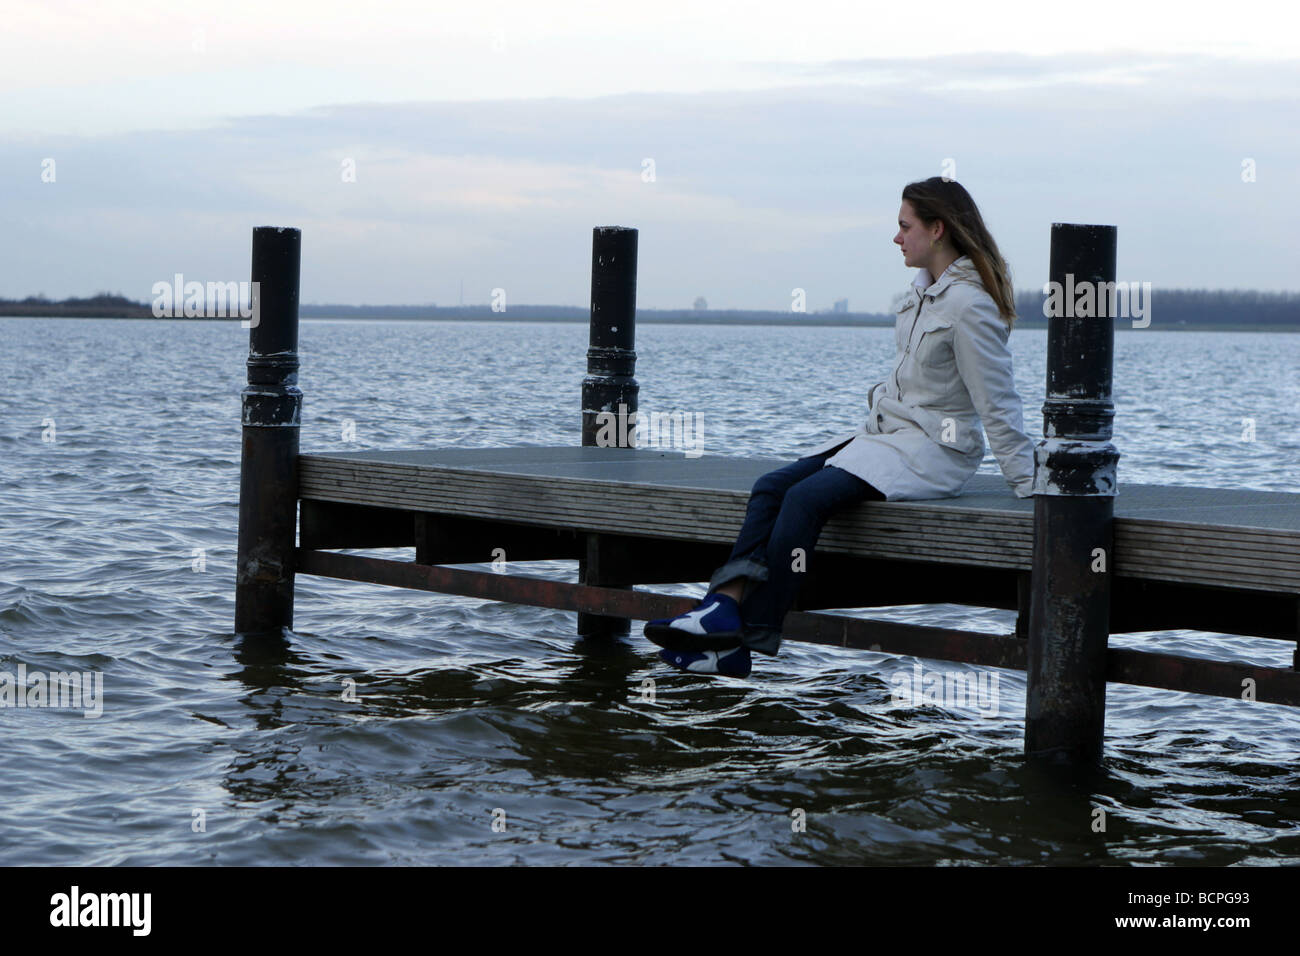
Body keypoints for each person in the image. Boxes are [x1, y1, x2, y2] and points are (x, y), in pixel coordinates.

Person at [644, 176, 1036, 677]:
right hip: (888, 440)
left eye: (904, 227)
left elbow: (997, 400)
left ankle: (747, 634)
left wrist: (1027, 481)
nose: (897, 238)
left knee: (805, 500)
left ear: (937, 230)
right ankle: (719, 610)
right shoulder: (920, 297)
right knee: (771, 487)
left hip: (935, 453)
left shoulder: (970, 305)